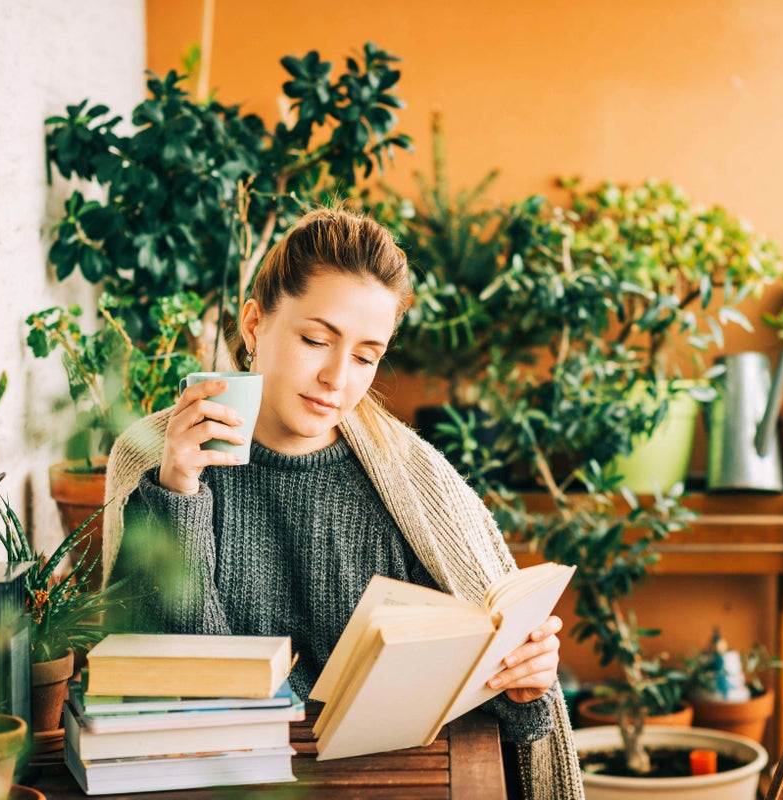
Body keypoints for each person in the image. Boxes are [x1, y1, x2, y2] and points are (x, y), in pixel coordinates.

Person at [101, 206, 584, 800]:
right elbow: (145, 677)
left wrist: (525, 688)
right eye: (315, 339)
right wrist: (178, 492)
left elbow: (503, 721)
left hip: (393, 782)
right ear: (254, 325)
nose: (336, 377)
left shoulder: (412, 481)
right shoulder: (153, 455)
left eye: (365, 356)